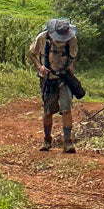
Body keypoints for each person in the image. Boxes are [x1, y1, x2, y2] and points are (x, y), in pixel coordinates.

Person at [28, 18, 79, 153]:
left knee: (66, 109)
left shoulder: (72, 40)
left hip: (64, 79)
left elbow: (72, 57)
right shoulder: (42, 38)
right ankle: (47, 140)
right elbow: (32, 53)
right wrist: (40, 67)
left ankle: (67, 142)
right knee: (48, 110)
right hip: (47, 79)